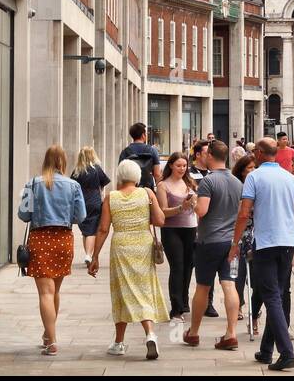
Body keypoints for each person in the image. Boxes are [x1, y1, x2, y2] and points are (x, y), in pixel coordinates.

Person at [230, 137, 294, 371]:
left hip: (265, 243)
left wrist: (235, 243)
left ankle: (286, 353)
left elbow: (244, 214)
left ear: (260, 154)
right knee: (278, 293)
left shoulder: (254, 177)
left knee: (272, 296)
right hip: (287, 243)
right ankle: (266, 350)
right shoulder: (288, 177)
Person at [88, 159, 169, 358]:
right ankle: (149, 334)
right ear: (137, 176)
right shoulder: (147, 193)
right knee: (143, 291)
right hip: (143, 243)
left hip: (121, 246)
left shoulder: (111, 197)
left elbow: (104, 228)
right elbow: (160, 220)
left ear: (119, 176)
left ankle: (119, 342)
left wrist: (95, 256)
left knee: (121, 292)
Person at [18, 145, 87, 356]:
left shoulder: (33, 183)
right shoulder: (73, 185)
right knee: (55, 291)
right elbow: (81, 216)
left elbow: (23, 214)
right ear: (63, 161)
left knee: (45, 293)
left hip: (40, 239)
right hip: (63, 240)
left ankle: (52, 341)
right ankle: (48, 335)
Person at [184, 141, 242, 350]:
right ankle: (231, 333)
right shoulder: (237, 182)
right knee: (229, 285)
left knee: (203, 286)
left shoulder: (208, 181)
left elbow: (202, 211)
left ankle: (194, 332)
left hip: (209, 241)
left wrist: (192, 201)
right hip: (231, 242)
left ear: (210, 157)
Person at [156, 152, 198, 320]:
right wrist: (181, 207)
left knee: (189, 266)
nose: (182, 168)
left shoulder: (190, 183)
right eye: (179, 165)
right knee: (177, 266)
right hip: (171, 229)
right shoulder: (163, 186)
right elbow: (162, 212)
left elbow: (196, 207)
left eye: (184, 165)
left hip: (190, 227)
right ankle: (176, 307)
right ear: (171, 165)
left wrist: (193, 204)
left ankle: (184, 301)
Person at [231, 154, 260, 335]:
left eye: (254, 167)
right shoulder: (236, 187)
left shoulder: (259, 184)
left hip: (257, 233)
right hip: (240, 233)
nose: (252, 171)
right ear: (241, 171)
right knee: (238, 273)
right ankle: (239, 305)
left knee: (257, 276)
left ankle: (255, 309)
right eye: (249, 168)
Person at [71, 146, 110, 265]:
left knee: (86, 231)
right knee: (92, 230)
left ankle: (88, 254)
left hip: (81, 202)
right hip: (95, 202)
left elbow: (72, 187)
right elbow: (104, 183)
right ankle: (88, 255)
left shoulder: (76, 171)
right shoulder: (97, 169)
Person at [119, 121, 162, 189]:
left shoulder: (125, 152)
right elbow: (157, 174)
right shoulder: (152, 150)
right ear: (143, 135)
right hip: (147, 188)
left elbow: (121, 173)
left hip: (130, 188)